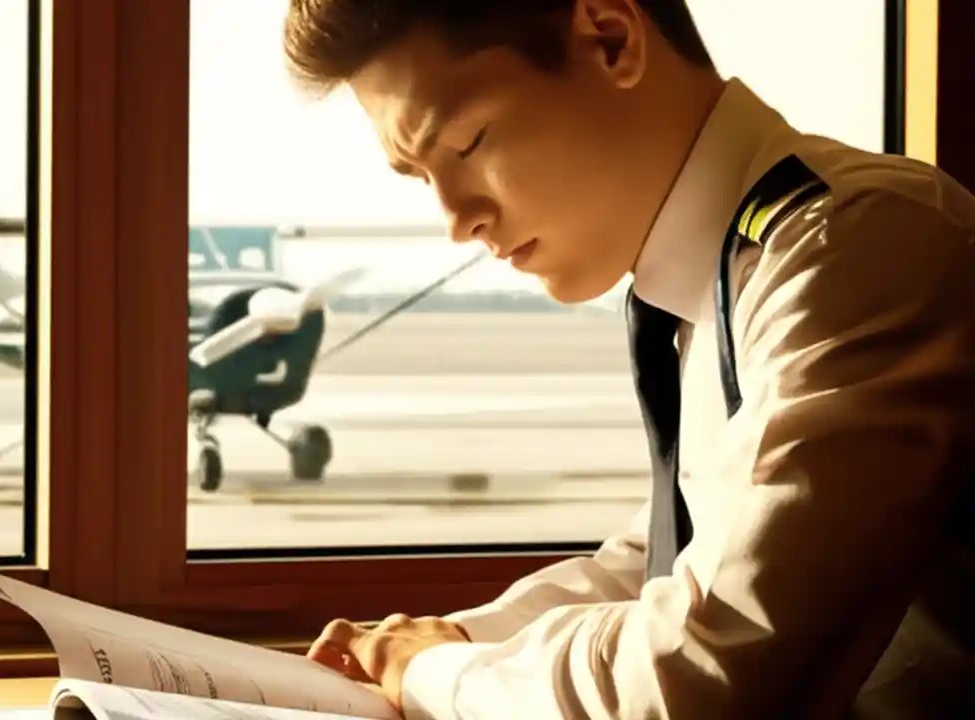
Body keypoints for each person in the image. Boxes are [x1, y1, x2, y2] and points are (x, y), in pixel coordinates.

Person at [282, 1, 975, 718]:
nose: (458, 220)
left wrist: (437, 673)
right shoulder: (718, 279)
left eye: (468, 142)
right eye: (420, 176)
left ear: (611, 40)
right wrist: (460, 640)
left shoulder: (855, 251)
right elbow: (675, 562)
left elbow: (706, 677)